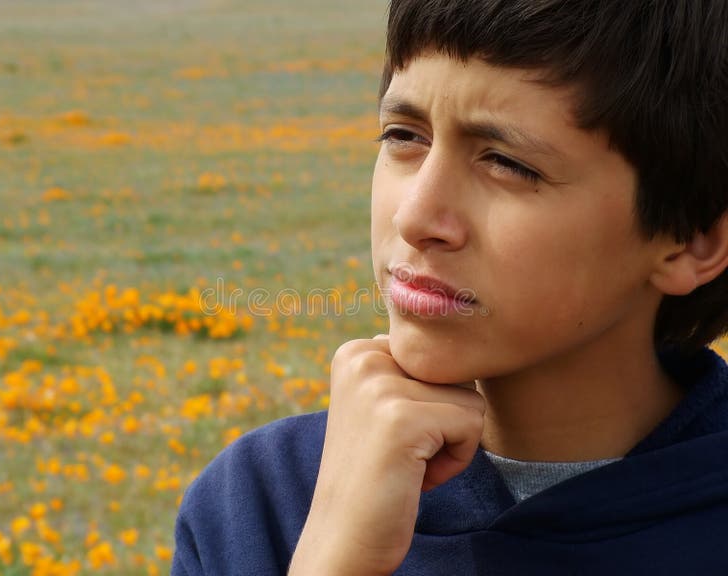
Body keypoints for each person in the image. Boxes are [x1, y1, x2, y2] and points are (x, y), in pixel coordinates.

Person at [171, 0, 728, 574]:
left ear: (690, 241)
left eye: (507, 163)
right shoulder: (256, 505)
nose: (415, 217)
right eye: (403, 135)